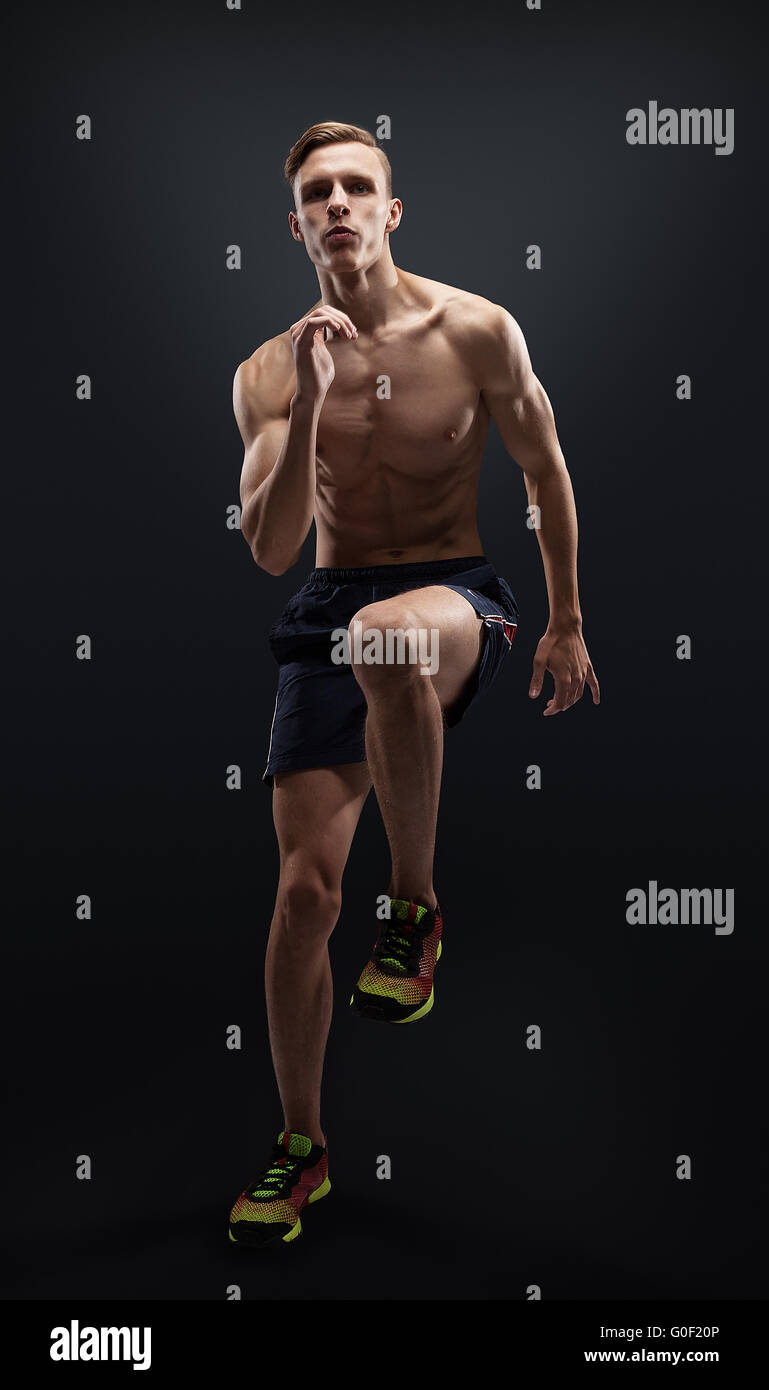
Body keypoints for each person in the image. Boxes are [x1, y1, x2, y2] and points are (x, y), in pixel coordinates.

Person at [228, 121, 600, 1248]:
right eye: (314, 193)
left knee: (388, 638)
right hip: (325, 605)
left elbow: (544, 463)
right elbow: (272, 547)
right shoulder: (265, 373)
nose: (336, 204)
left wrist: (567, 619)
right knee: (299, 900)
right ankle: (303, 1150)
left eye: (357, 186)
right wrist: (311, 388)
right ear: (294, 225)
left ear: (390, 211)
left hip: (448, 596)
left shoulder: (474, 329)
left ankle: (416, 910)